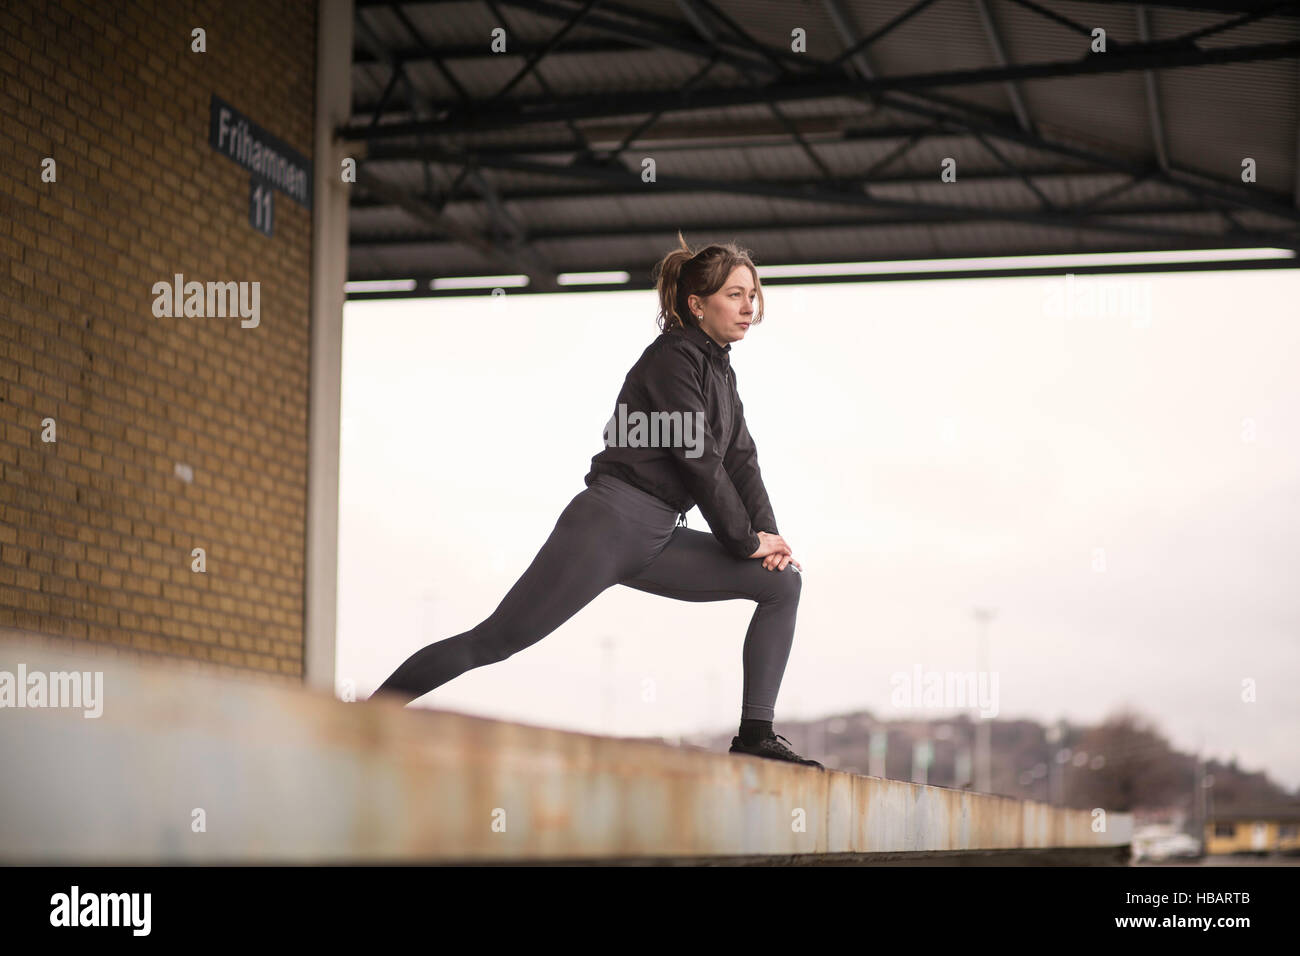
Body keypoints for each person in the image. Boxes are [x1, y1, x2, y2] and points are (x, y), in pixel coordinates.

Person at [369, 231, 822, 769]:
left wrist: (769, 540)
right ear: (696, 304)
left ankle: (755, 733)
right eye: (734, 295)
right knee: (493, 641)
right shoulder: (671, 359)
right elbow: (697, 456)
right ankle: (366, 717)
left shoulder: (721, 369)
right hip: (609, 525)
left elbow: (742, 460)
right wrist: (743, 539)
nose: (749, 307)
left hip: (657, 537)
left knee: (782, 584)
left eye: (753, 294)